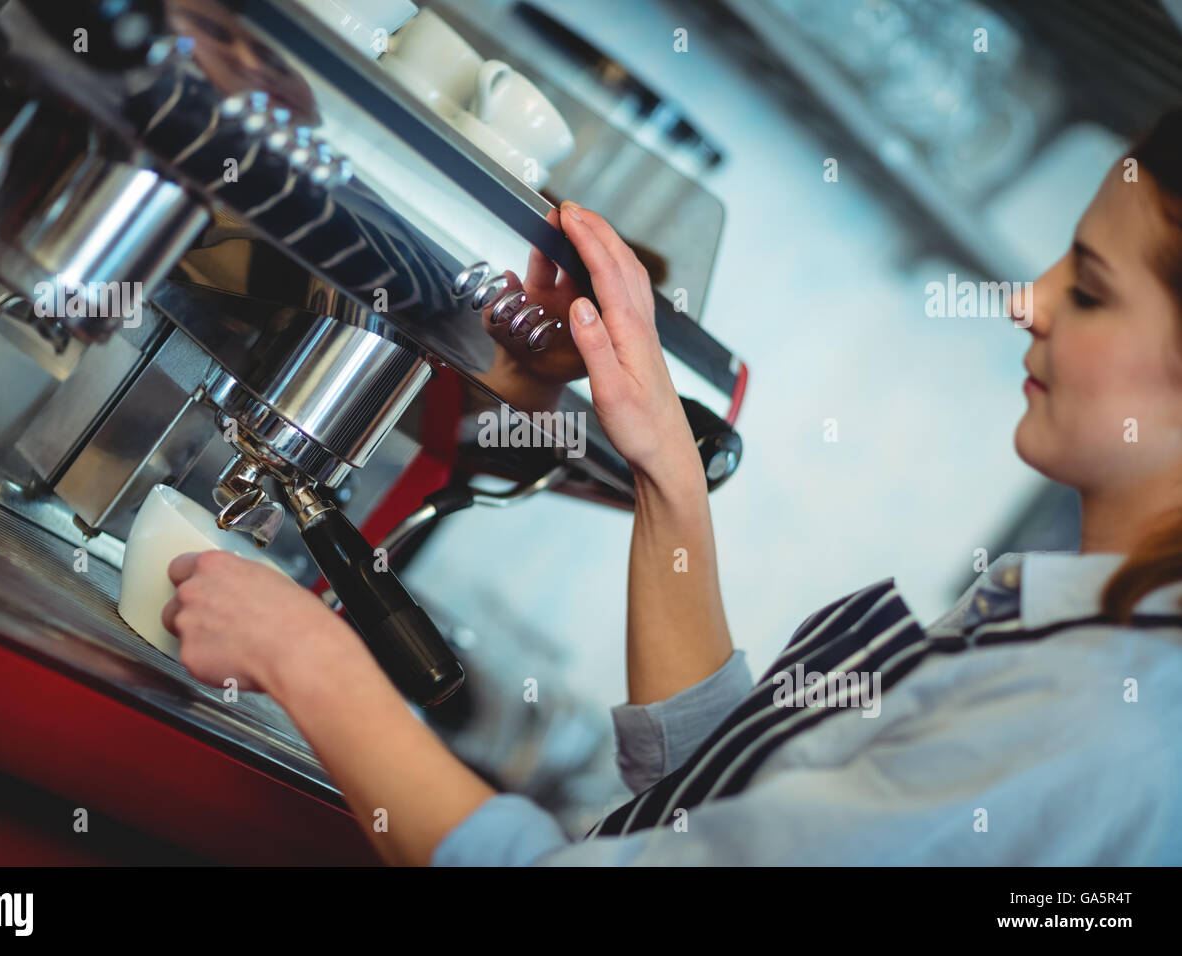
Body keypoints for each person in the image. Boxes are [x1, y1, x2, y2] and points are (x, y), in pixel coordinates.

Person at [163, 107, 1182, 865]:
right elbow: (712, 800)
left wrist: (311, 660)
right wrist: (662, 462)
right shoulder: (1070, 635)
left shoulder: (1104, 727)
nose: (1027, 299)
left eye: (1088, 289)